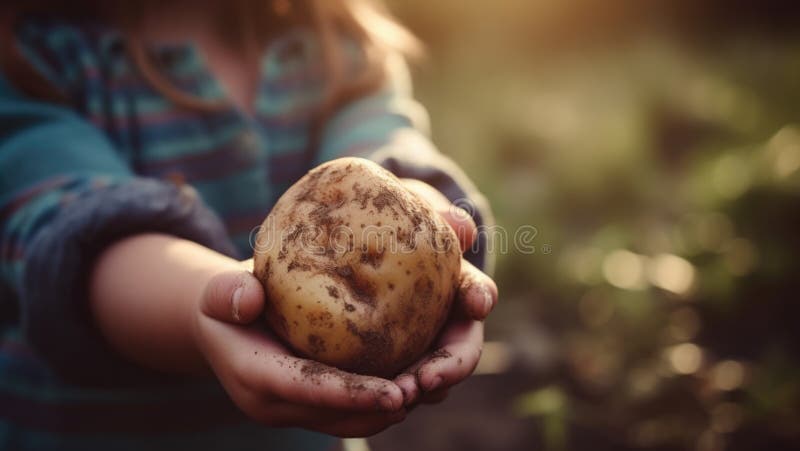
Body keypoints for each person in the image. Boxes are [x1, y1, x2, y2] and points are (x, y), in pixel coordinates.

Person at [0, 1, 498, 449]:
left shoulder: (343, 47)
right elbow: (70, 226)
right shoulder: (26, 63)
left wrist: (427, 217)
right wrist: (204, 306)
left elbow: (385, 153)